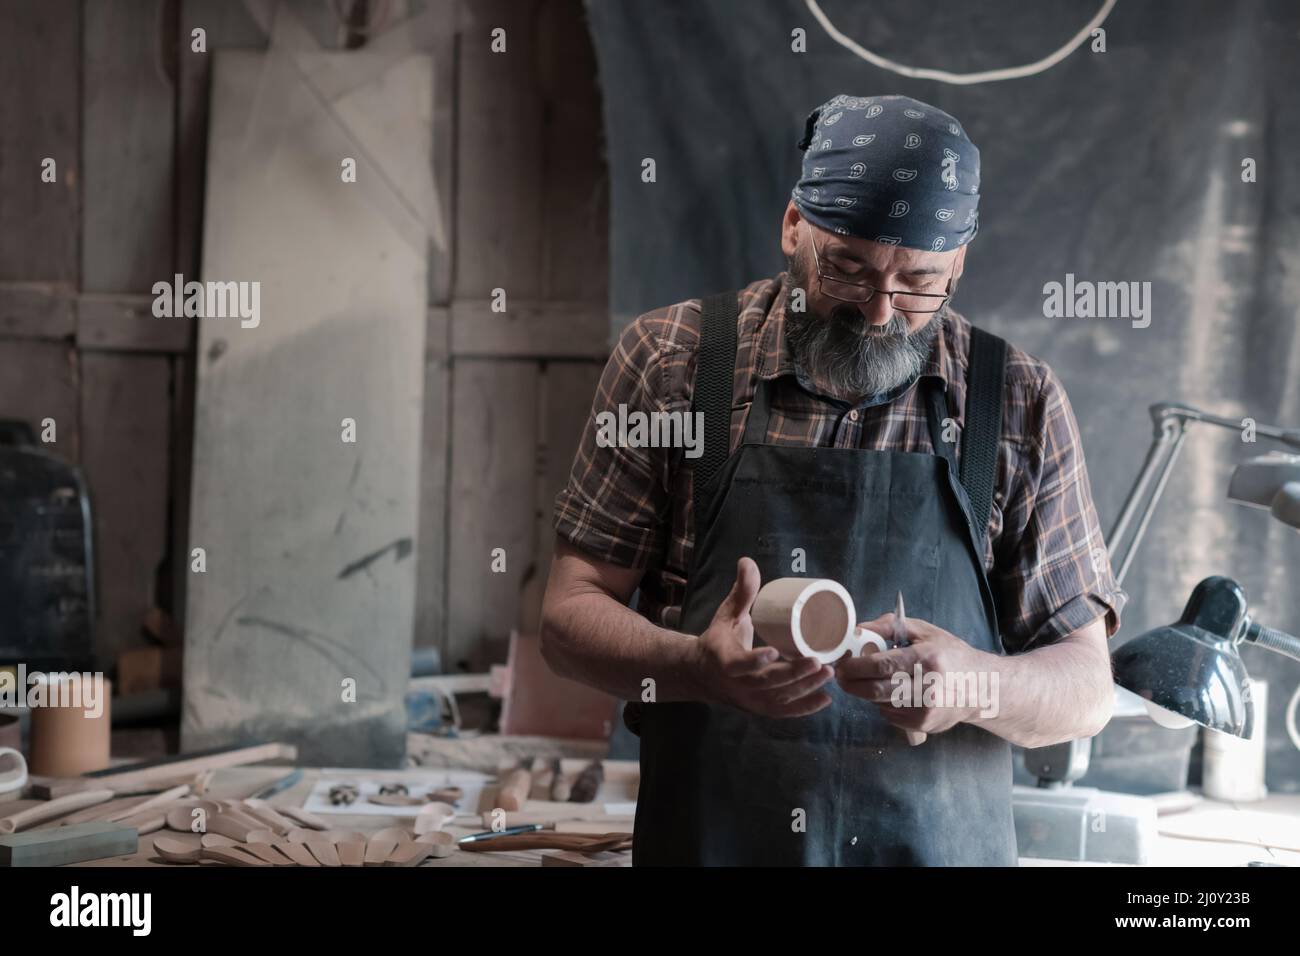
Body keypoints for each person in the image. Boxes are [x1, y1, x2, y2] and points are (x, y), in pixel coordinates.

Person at [540, 93, 1126, 865]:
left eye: (919, 282)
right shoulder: (674, 361)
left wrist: (974, 685)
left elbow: (1087, 688)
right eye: (848, 269)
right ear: (793, 228)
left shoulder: (1016, 401)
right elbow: (568, 617)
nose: (881, 312)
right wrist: (695, 669)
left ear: (959, 263)